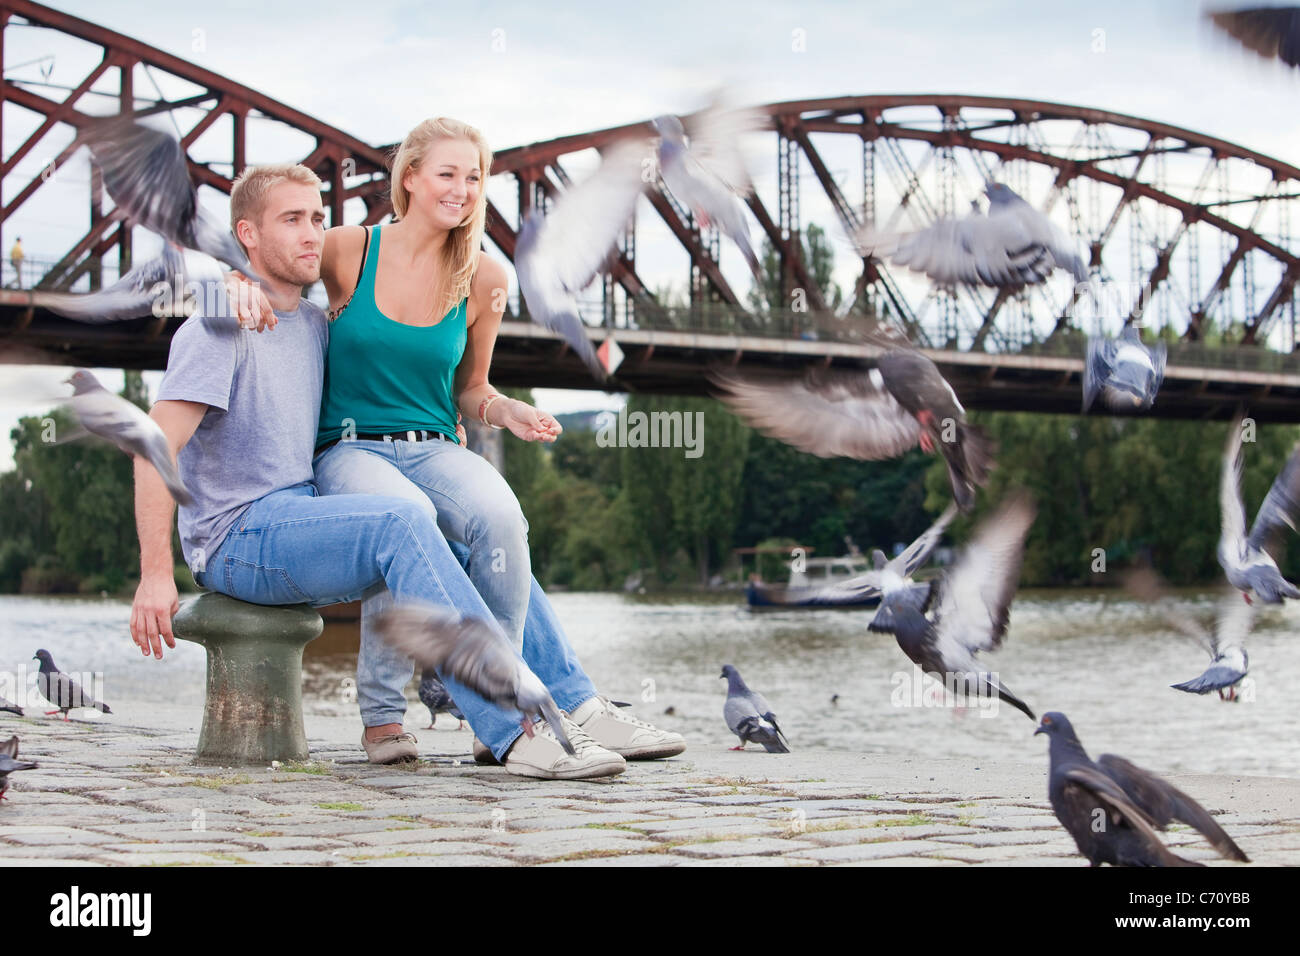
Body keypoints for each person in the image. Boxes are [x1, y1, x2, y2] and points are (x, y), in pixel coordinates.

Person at [129, 163, 626, 779]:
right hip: (237, 538)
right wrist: (155, 573)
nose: (312, 233)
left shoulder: (315, 324)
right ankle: (514, 728)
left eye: (317, 217)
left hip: (308, 519)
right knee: (401, 520)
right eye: (291, 220)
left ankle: (577, 702)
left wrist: (470, 411)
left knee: (478, 533)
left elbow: (397, 377)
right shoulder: (218, 324)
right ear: (248, 236)